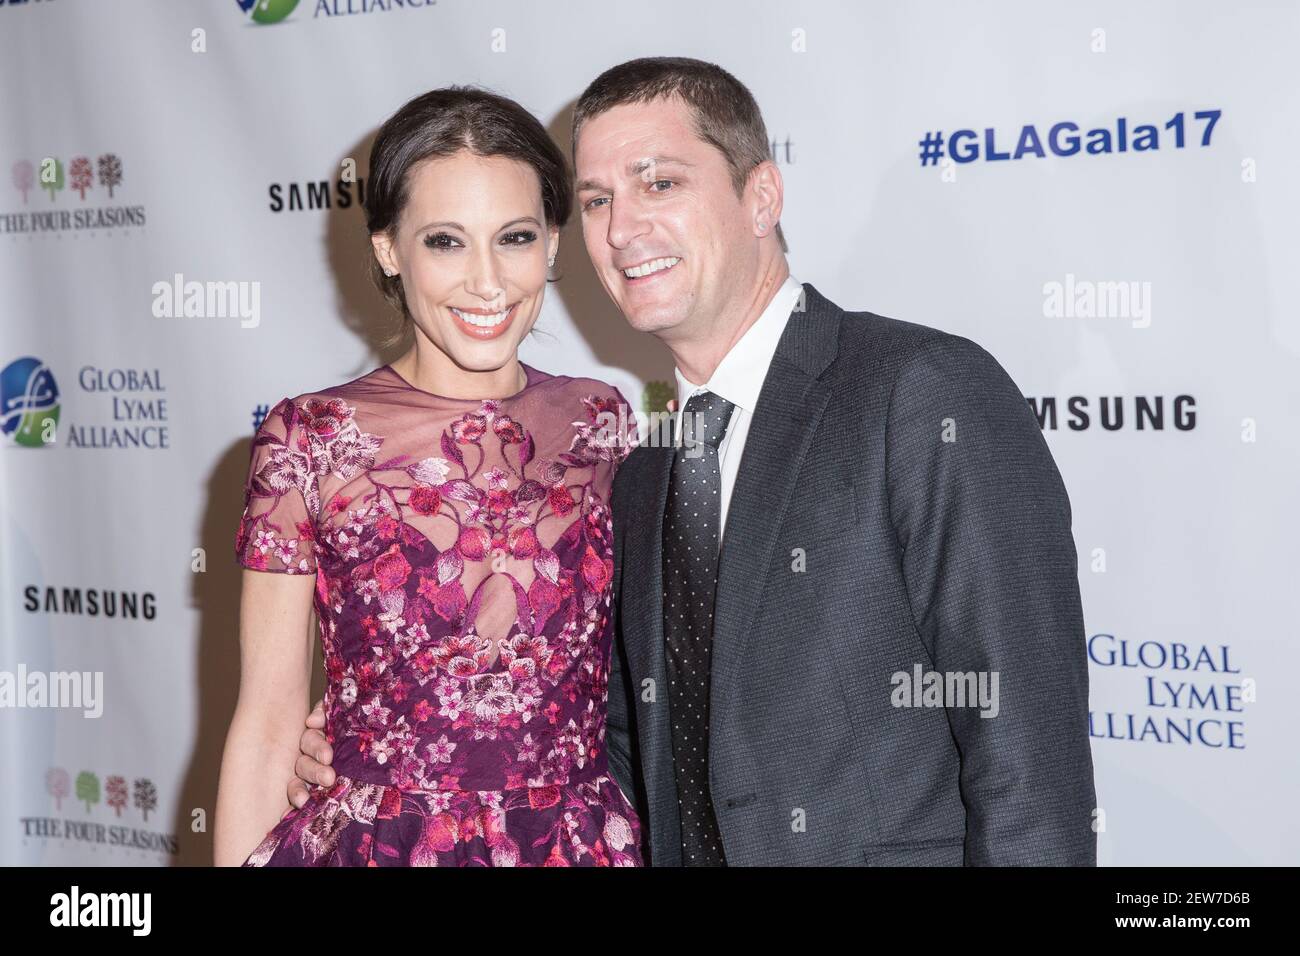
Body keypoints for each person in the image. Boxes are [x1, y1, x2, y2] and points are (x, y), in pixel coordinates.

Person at [291, 57, 1098, 867]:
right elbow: (609, 742)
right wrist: (402, 736)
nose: (622, 228)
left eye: (661, 184)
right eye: (600, 199)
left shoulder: (919, 392)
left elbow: (1028, 751)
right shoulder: (636, 470)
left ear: (762, 196)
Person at [213, 87, 642, 867]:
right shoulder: (311, 437)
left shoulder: (601, 424)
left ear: (551, 243)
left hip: (572, 846)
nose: (487, 283)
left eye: (513, 238)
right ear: (387, 249)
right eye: (446, 241)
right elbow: (269, 719)